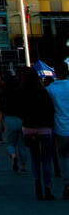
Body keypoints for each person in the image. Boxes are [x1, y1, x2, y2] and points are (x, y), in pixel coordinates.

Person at [19, 66, 55, 200]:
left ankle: (37, 184)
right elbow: (51, 110)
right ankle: (47, 187)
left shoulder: (22, 93)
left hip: (28, 128)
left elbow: (20, 111)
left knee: (35, 158)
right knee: (46, 159)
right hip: (44, 127)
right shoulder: (43, 92)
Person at [47, 60, 69, 200]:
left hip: (61, 127)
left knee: (64, 156)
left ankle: (67, 182)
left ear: (55, 73)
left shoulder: (51, 89)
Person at [0, 72, 27, 174]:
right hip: (21, 120)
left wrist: (1, 124)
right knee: (22, 145)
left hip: (9, 119)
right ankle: (23, 165)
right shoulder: (21, 92)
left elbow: (0, 111)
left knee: (10, 143)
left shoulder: (3, 94)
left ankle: (13, 155)